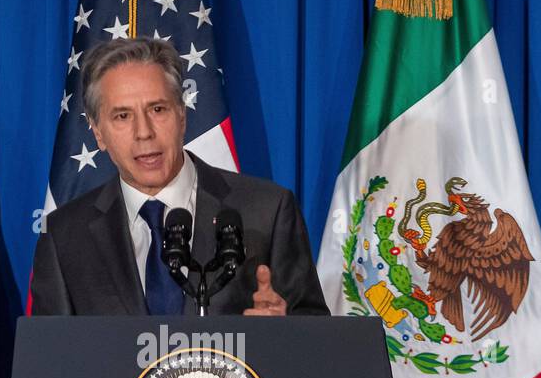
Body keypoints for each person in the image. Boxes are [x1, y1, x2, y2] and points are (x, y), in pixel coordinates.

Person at [29, 37, 328, 317]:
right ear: (98, 133)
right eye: (122, 116)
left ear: (182, 115)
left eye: (157, 109)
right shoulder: (65, 237)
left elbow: (318, 343)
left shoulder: (266, 212)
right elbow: (51, 362)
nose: (144, 132)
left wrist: (286, 331)